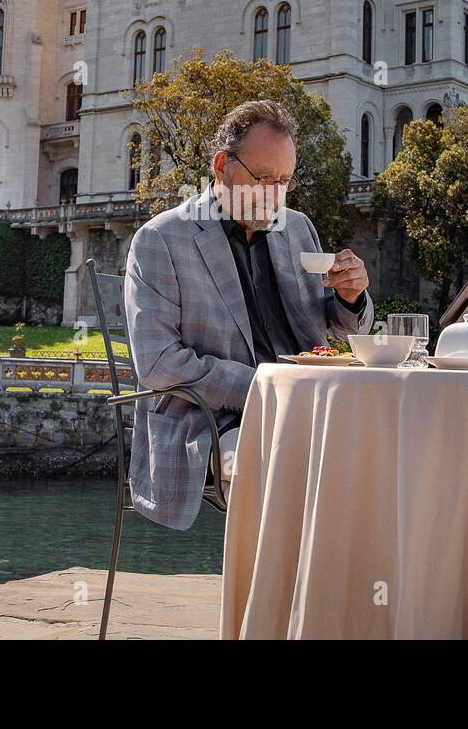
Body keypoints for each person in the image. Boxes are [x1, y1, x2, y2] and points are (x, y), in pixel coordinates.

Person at [124, 100, 374, 529]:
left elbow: (336, 327)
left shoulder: (296, 227)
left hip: (309, 401)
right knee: (299, 457)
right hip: (212, 418)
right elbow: (158, 365)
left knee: (397, 441)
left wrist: (353, 297)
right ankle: (272, 592)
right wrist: (270, 387)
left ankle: (349, 589)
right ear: (223, 166)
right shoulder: (161, 239)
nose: (275, 196)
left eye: (284, 182)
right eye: (263, 180)